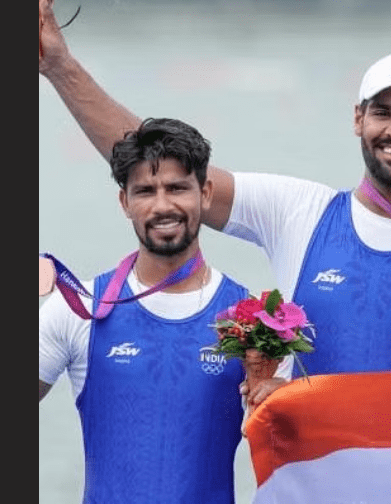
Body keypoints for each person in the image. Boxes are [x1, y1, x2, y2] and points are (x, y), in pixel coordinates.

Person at [37, 0, 391, 397]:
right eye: (383, 112)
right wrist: (60, 65)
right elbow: (156, 163)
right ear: (358, 119)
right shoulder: (299, 213)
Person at [38, 117, 265, 503]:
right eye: (145, 191)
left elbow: (301, 449)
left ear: (206, 193)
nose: (162, 206)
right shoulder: (81, 308)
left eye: (177, 188)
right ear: (125, 202)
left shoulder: (251, 322)